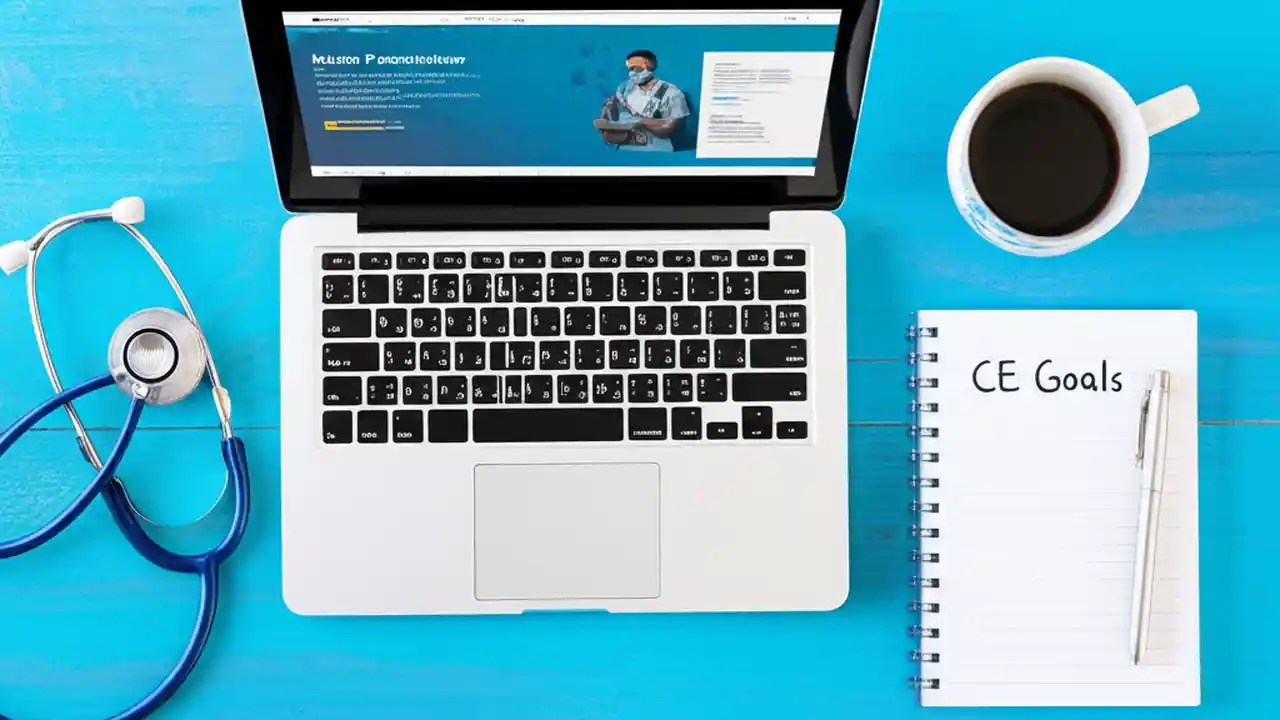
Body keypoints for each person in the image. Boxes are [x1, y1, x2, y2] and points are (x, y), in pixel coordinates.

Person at [595, 49, 690, 151]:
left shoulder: (671, 93)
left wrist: (639, 122)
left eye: (638, 68)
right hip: (625, 153)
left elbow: (670, 129)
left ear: (651, 66)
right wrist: (610, 110)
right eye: (631, 69)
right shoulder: (626, 91)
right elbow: (612, 123)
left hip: (656, 152)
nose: (633, 73)